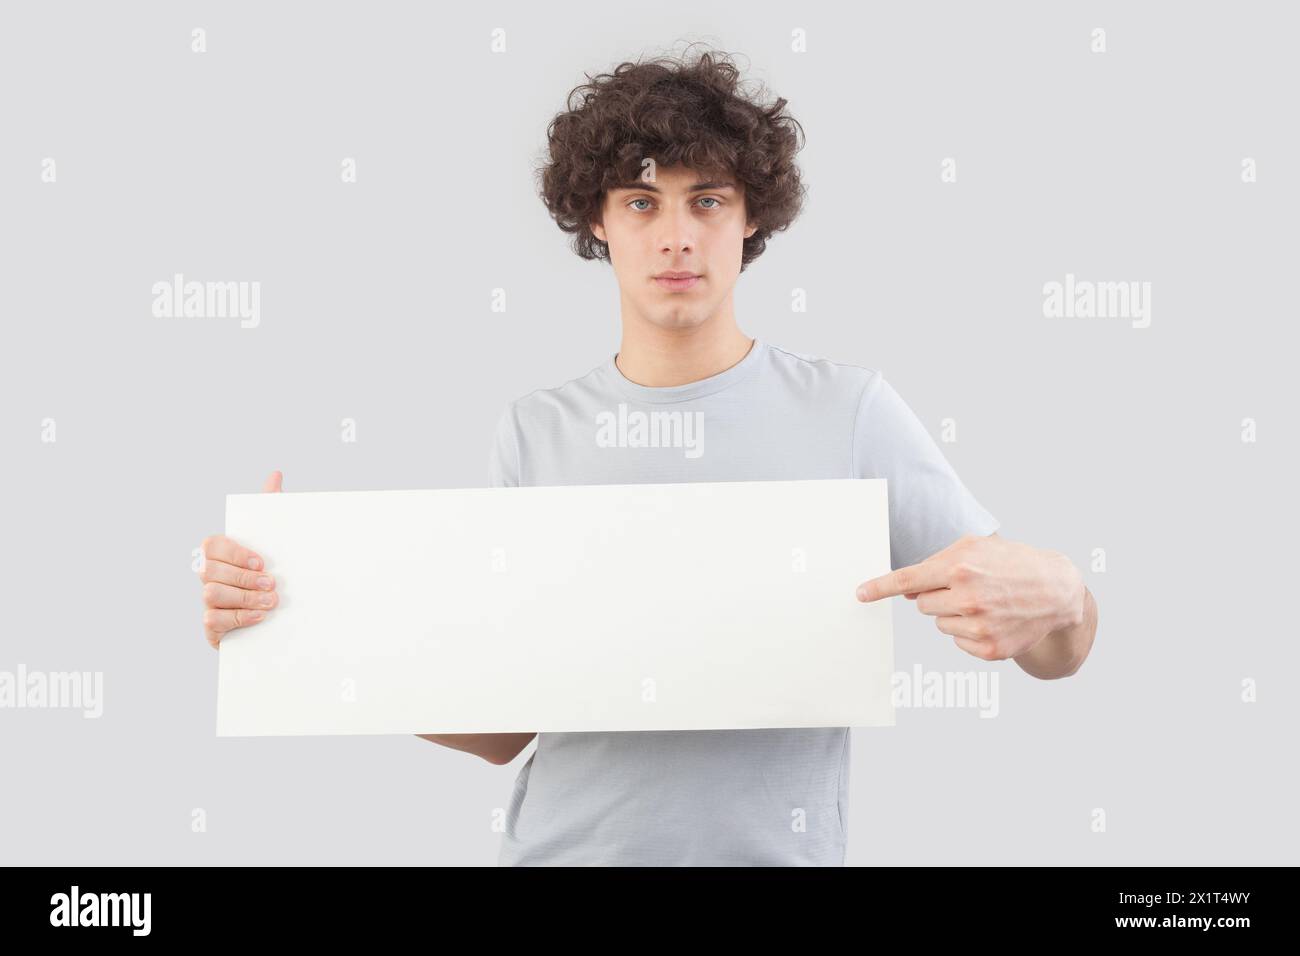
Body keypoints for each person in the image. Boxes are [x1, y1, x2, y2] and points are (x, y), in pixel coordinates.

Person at [198, 46, 1098, 866]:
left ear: (750, 219)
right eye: (642, 202)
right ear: (599, 220)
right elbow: (501, 725)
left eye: (707, 200)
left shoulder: (850, 412)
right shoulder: (535, 430)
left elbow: (1055, 648)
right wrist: (297, 625)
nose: (676, 236)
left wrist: (1062, 594)